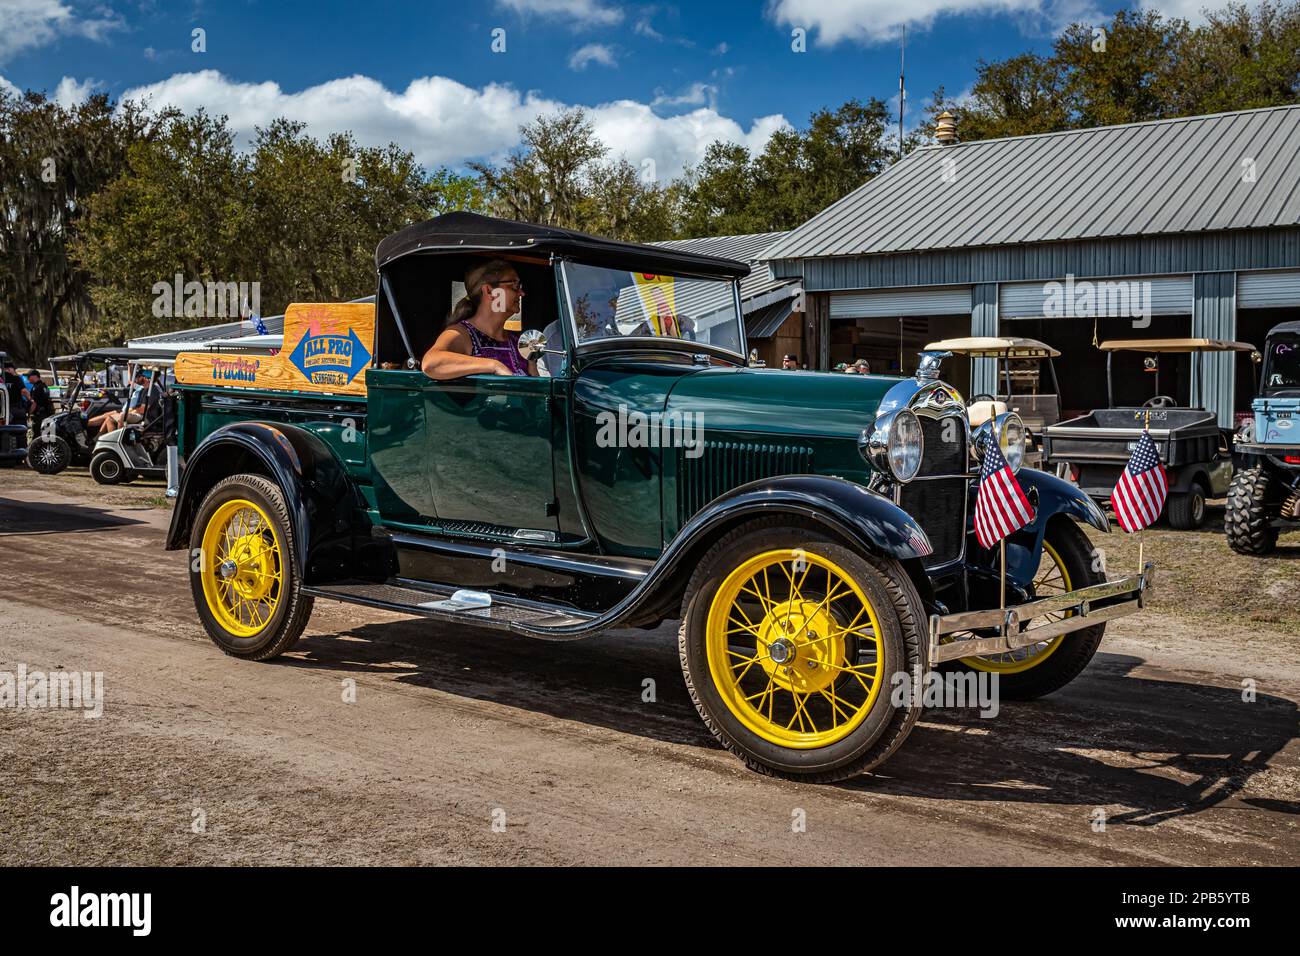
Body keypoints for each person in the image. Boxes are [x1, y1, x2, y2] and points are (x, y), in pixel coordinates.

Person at [421, 259, 535, 379]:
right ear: (489, 291)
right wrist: (494, 366)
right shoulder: (462, 333)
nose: (521, 293)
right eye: (515, 285)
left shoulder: (517, 343)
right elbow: (431, 363)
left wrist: (532, 363)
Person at [89, 368, 161, 433]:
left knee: (119, 416)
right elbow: (131, 381)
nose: (137, 378)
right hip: (139, 414)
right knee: (109, 416)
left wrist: (128, 411)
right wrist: (129, 366)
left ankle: (117, 441)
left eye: (139, 376)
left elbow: (142, 409)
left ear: (146, 378)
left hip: (146, 417)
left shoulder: (152, 391)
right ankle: (96, 439)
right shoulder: (143, 389)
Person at [25, 370, 54, 437]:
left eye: (29, 376)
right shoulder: (44, 386)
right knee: (46, 436)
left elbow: (34, 403)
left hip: (39, 416)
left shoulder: (37, 387)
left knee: (37, 435)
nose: (27, 379)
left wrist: (29, 414)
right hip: (46, 414)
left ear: (35, 376)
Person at [3, 360, 29, 428]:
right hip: (16, 409)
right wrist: (30, 399)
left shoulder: (1, 379)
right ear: (9, 369)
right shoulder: (15, 378)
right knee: (20, 430)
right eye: (13, 369)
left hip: (3, 411)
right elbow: (24, 391)